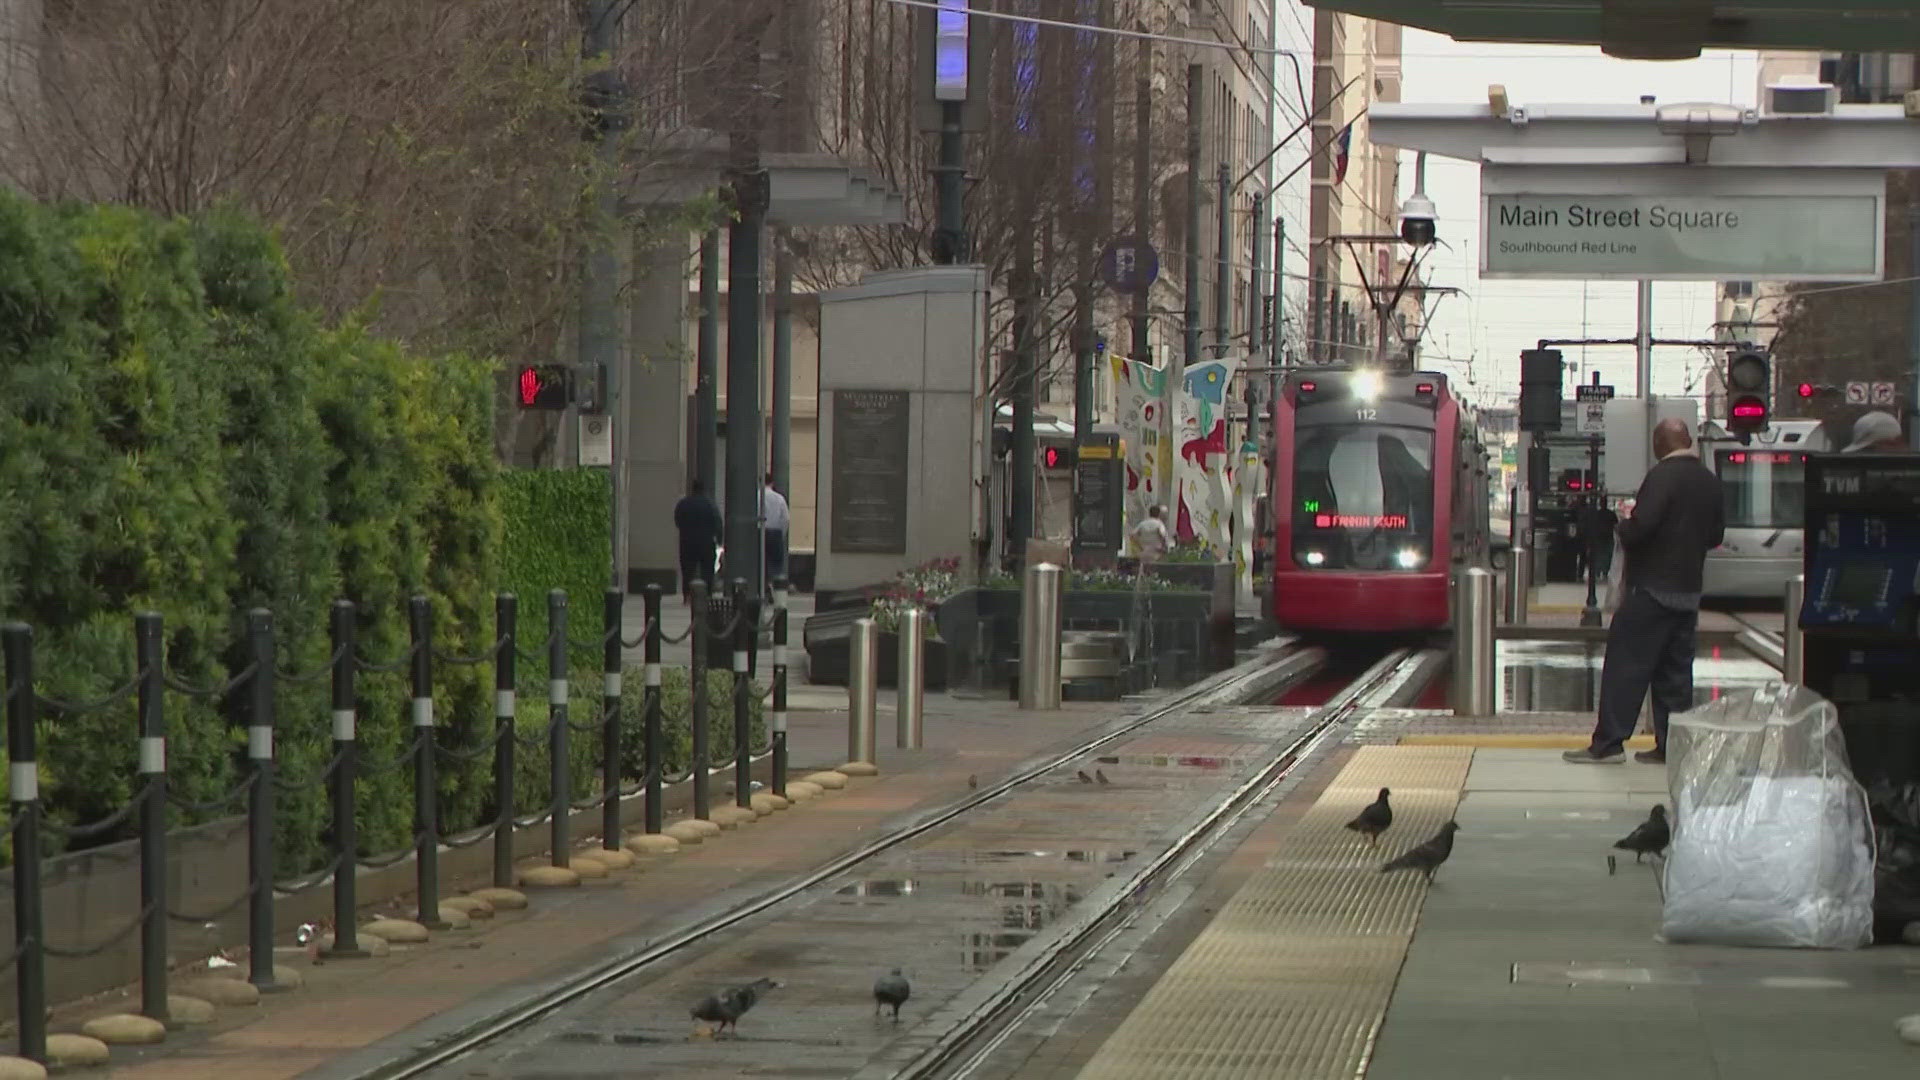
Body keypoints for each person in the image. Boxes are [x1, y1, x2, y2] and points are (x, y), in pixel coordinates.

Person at [1564, 419, 1724, 766]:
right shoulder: (1709, 481)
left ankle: (1608, 743)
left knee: (1626, 664)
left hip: (1651, 589)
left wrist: (1624, 524)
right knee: (1675, 673)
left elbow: (1642, 527)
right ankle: (1671, 746)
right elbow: (1715, 535)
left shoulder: (1661, 477)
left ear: (1659, 444)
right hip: (1688, 591)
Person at [673, 481, 722, 604]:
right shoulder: (710, 504)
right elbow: (717, 522)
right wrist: (719, 539)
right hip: (706, 541)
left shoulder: (683, 504)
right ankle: (707, 594)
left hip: (687, 541)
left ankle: (687, 595)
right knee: (707, 569)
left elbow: (677, 520)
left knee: (688, 569)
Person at [760, 473, 790, 596]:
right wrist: (781, 533)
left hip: (761, 532)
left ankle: (763, 588)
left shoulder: (757, 496)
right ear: (772, 483)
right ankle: (776, 591)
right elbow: (786, 519)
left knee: (761, 563)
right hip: (776, 533)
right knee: (776, 565)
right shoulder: (779, 498)